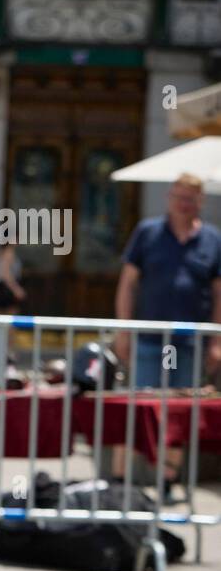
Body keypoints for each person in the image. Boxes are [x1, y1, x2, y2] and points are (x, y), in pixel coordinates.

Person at [111, 173, 221, 493]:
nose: (183, 204)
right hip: (148, 339)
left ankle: (167, 480)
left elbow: (218, 294)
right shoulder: (148, 233)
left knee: (178, 412)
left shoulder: (212, 239)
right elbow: (127, 284)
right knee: (138, 405)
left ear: (200, 201)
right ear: (169, 197)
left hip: (188, 344)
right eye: (178, 197)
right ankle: (119, 482)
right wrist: (123, 330)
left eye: (190, 198)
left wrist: (217, 340)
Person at [0, 239, 25, 315]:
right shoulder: (9, 252)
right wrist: (16, 289)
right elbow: (5, 273)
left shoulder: (2, 251)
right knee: (11, 317)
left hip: (0, 287)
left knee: (0, 317)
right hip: (5, 289)